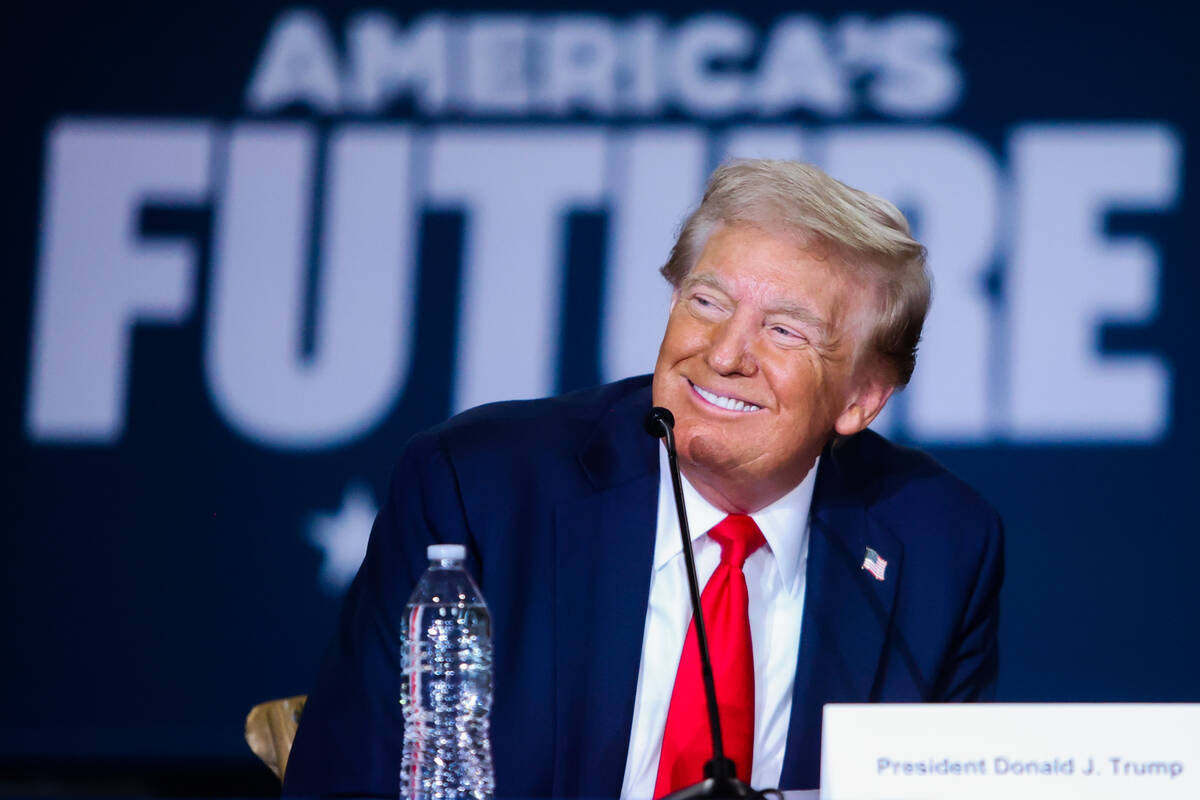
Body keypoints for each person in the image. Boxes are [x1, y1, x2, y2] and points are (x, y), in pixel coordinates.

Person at [282, 160, 1003, 797]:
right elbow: (353, 781)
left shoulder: (938, 544)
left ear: (861, 400)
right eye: (707, 303)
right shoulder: (482, 489)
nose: (723, 355)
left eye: (784, 331)